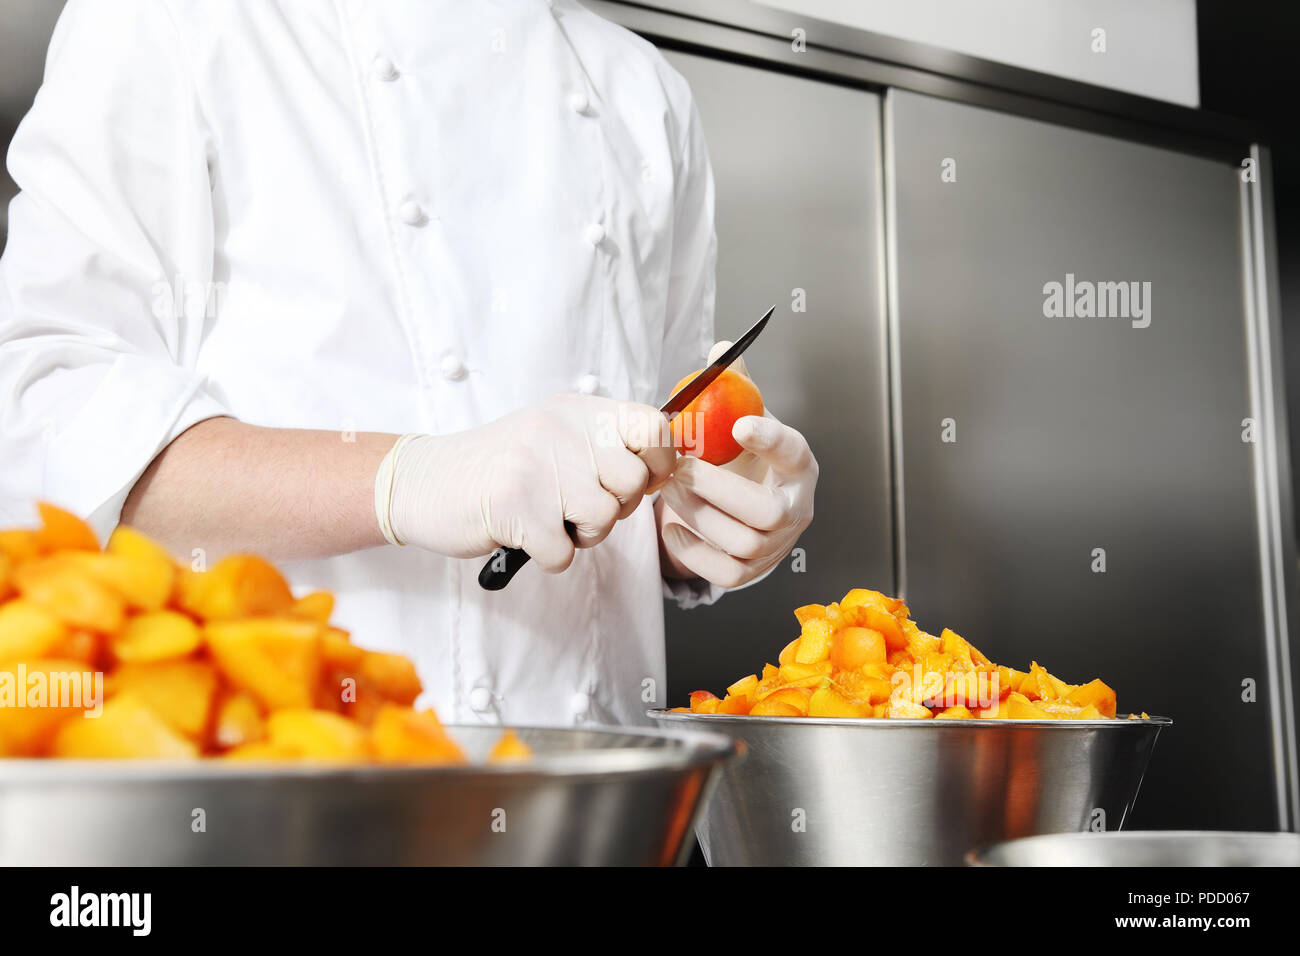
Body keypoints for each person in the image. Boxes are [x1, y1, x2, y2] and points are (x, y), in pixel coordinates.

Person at [0, 0, 816, 725]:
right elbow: (45, 417)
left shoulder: (644, 93)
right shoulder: (174, 20)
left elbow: (652, 442)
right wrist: (404, 480)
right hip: (292, 775)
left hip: (599, 792)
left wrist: (703, 518)